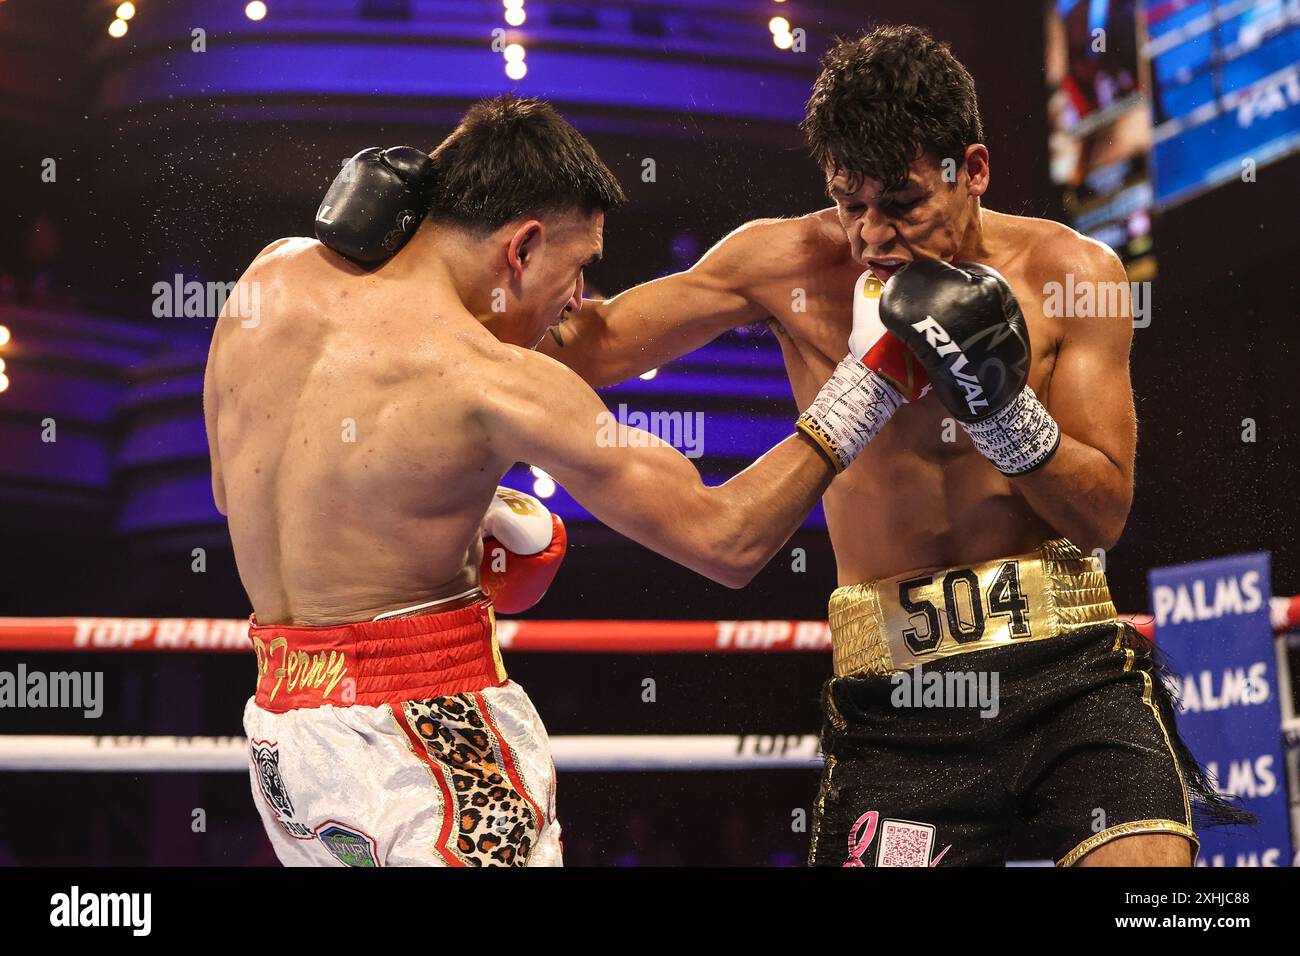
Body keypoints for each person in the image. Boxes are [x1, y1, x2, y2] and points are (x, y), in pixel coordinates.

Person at [530, 27, 1251, 866]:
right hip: (899, 707)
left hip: (1072, 680)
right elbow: (583, 348)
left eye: (902, 204)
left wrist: (996, 404)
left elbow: (1103, 516)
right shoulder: (788, 262)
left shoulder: (1073, 272)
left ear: (972, 171)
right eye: (850, 202)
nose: (872, 235)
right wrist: (445, 277)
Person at [206, 95, 917, 867]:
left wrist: (450, 510)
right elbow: (727, 538)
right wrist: (869, 383)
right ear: (523, 248)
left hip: (286, 741)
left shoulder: (268, 280)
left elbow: (234, 491)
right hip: (429, 747)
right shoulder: (493, 382)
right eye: (578, 269)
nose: (576, 299)